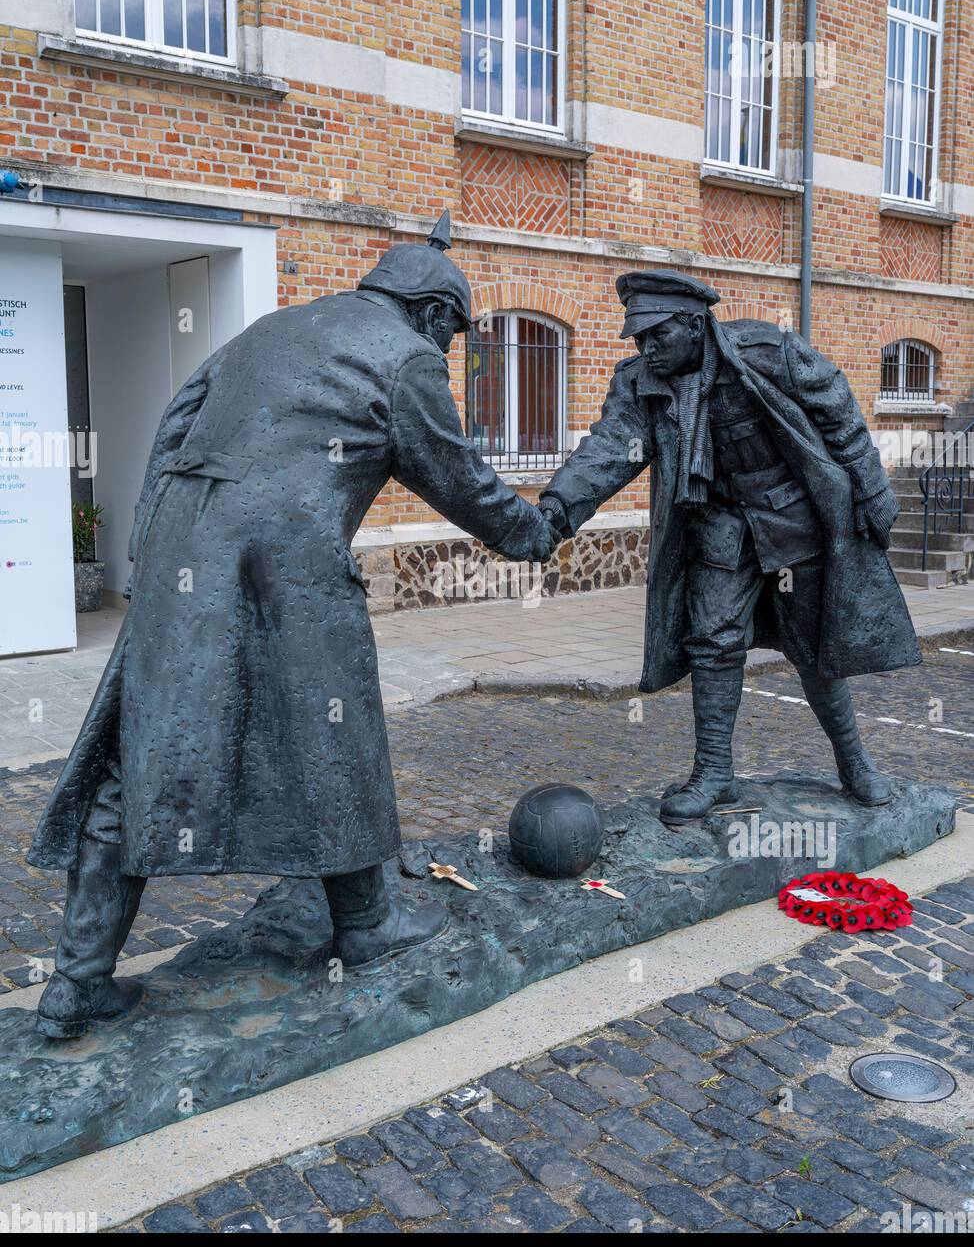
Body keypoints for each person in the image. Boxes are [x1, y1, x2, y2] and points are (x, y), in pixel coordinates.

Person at [30, 212, 557, 1039]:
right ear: (428, 312)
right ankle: (368, 924)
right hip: (284, 555)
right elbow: (455, 475)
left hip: (183, 547)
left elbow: (174, 428)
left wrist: (151, 556)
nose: (450, 351)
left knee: (143, 753)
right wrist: (533, 534)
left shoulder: (275, 326)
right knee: (334, 735)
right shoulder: (405, 355)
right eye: (453, 333)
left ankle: (74, 981)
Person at [540, 270, 920, 825]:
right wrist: (556, 510)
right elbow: (608, 451)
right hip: (718, 525)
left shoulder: (767, 352)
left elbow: (839, 411)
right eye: (639, 339)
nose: (647, 349)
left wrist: (873, 491)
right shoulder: (642, 381)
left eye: (657, 336)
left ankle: (855, 763)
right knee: (712, 642)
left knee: (816, 648)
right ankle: (715, 772)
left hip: (792, 519)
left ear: (695, 326)